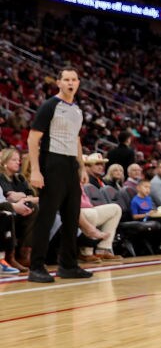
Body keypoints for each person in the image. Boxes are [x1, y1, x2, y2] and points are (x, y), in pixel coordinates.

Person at [26, 66, 93, 283]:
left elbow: (76, 140)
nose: (70, 83)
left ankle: (68, 265)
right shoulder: (49, 106)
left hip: (70, 165)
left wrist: (81, 167)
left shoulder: (77, 110)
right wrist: (36, 170)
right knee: (46, 216)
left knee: (71, 217)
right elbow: (32, 139)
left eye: (74, 79)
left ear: (78, 83)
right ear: (59, 82)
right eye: (66, 79)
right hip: (51, 162)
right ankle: (36, 267)